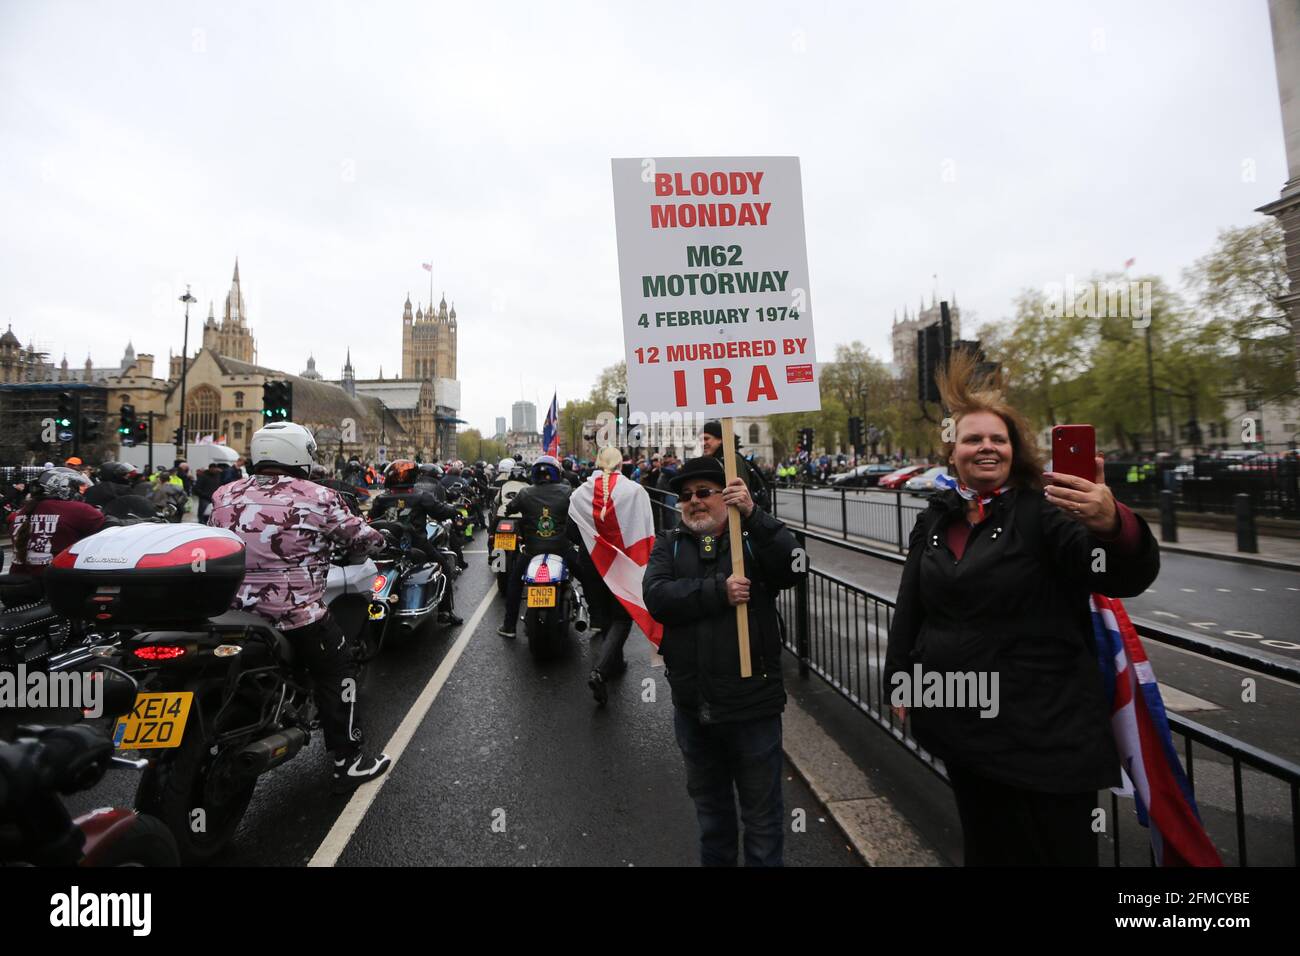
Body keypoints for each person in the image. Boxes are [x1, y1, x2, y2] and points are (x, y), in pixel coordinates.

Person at [883, 351, 1160, 866]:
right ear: (953, 452)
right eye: (973, 438)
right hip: (963, 725)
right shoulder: (936, 519)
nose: (985, 447)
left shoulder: (1047, 513)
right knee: (988, 850)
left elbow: (1120, 575)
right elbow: (913, 605)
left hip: (1044, 737)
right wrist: (901, 678)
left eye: (998, 439)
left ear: (1015, 451)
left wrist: (1110, 523)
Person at [209, 421, 392, 792]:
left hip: (230, 612)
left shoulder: (224, 494)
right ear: (299, 455)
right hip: (292, 614)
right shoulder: (317, 496)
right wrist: (383, 540)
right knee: (339, 668)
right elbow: (361, 538)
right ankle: (348, 760)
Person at [643, 455, 805, 866]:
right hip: (694, 709)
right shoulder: (671, 543)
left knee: (763, 821)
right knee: (713, 820)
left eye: (704, 492)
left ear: (726, 496)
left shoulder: (750, 538)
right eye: (685, 496)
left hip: (753, 707)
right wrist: (720, 591)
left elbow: (795, 566)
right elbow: (657, 597)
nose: (694, 501)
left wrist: (755, 514)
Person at [571, 446, 658, 706]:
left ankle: (615, 662)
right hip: (623, 564)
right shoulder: (635, 491)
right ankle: (601, 670)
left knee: (606, 617)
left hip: (592, 565)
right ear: (622, 464)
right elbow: (645, 529)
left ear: (597, 463)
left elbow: (571, 534)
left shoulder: (579, 494)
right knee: (622, 618)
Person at [369, 459, 464, 624]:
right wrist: (454, 510)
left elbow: (372, 518)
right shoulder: (421, 496)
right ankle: (445, 612)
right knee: (444, 566)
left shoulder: (381, 499)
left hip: (386, 546)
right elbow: (440, 511)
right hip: (415, 544)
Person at [497, 454, 575, 638]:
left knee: (515, 582)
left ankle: (509, 626)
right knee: (587, 576)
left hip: (532, 550)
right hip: (562, 548)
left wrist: (509, 510)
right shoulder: (567, 491)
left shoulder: (525, 493)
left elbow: (511, 508)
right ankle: (596, 619)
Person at [4, 467, 104, 604]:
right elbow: (106, 531)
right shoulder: (79, 510)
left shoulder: (17, 514)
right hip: (58, 585)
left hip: (18, 583)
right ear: (63, 488)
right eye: (75, 487)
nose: (78, 491)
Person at [700, 421, 764, 509]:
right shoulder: (713, 460)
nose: (702, 443)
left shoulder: (732, 459)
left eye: (706, 439)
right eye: (700, 440)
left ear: (720, 440)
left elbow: (738, 496)